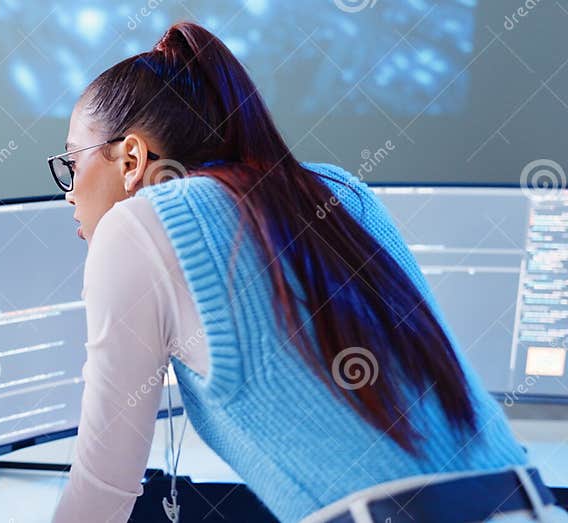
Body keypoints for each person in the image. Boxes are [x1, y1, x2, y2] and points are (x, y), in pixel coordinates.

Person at [47, 21, 567, 523]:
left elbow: (103, 489)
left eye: (72, 162)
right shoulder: (338, 191)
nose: (70, 191)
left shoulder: (135, 227)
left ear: (132, 158)